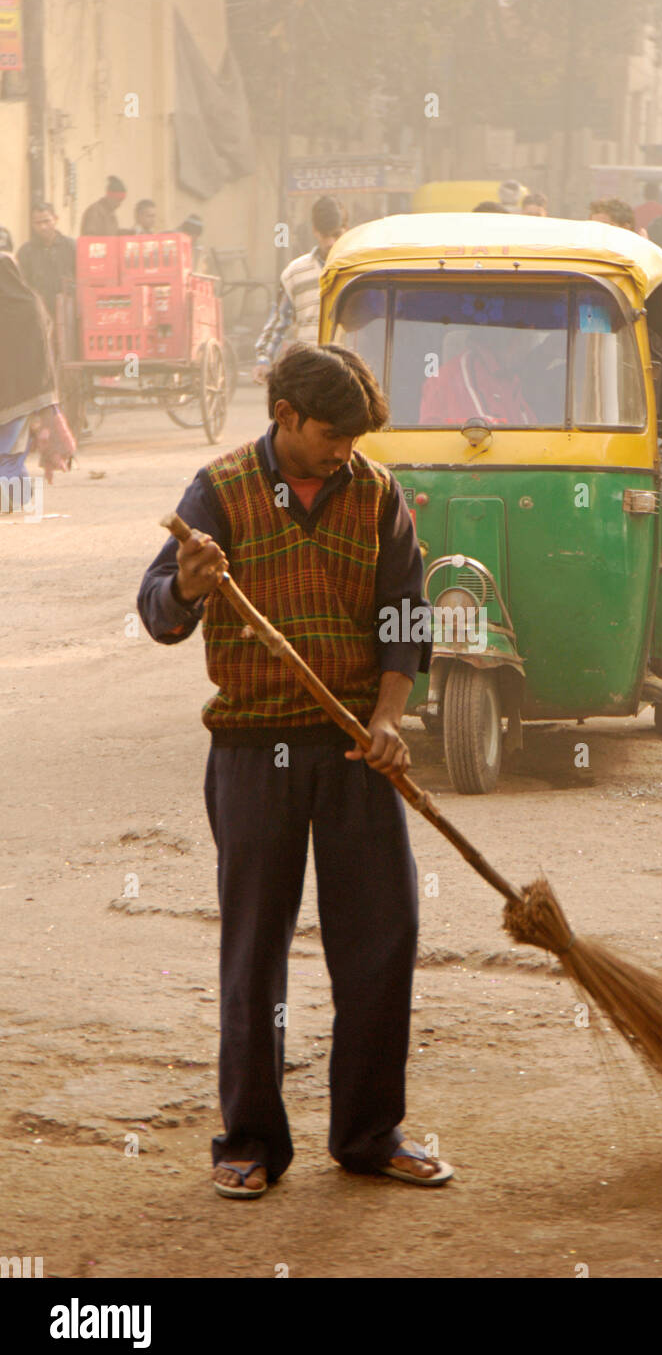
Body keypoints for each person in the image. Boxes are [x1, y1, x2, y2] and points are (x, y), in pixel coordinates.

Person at [137, 341, 452, 1195]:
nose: (343, 451)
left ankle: (368, 1133)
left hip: (354, 747)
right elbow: (158, 614)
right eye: (330, 436)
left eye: (354, 438)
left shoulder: (379, 495)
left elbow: (403, 615)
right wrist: (194, 588)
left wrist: (389, 720)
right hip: (252, 748)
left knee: (383, 938)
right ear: (285, 418)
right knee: (254, 950)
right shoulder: (219, 491)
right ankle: (249, 1142)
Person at [0, 254, 76, 508]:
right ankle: (16, 494)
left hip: (17, 397)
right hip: (26, 394)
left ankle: (14, 495)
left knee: (7, 455)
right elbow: (44, 347)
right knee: (10, 454)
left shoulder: (26, 308)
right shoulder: (31, 304)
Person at [252, 196, 347, 382]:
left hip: (346, 372)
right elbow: (278, 321)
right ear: (315, 231)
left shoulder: (358, 271)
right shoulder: (294, 274)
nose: (330, 243)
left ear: (346, 230)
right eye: (325, 235)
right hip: (310, 372)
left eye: (336, 235)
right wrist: (263, 359)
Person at [419, 332, 537, 426]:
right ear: (511, 339)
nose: (528, 348)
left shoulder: (508, 379)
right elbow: (482, 432)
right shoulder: (464, 373)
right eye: (528, 338)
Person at [16, 202, 76, 316]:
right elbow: (21, 285)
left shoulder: (71, 247)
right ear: (32, 224)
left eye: (46, 221)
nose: (43, 227)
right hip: (37, 314)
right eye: (38, 223)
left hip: (67, 313)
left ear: (55, 219)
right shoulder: (25, 252)